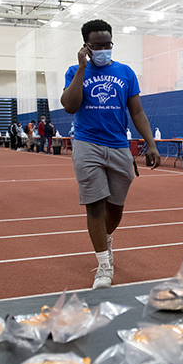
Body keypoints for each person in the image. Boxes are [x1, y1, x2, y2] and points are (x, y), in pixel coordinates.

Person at [62, 19, 161, 289]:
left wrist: (150, 143)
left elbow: (137, 111)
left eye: (108, 44)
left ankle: (103, 240)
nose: (104, 49)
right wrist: (82, 68)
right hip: (87, 144)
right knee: (95, 204)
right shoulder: (74, 71)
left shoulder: (126, 73)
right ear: (86, 46)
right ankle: (104, 266)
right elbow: (70, 106)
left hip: (118, 145)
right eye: (97, 45)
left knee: (115, 210)